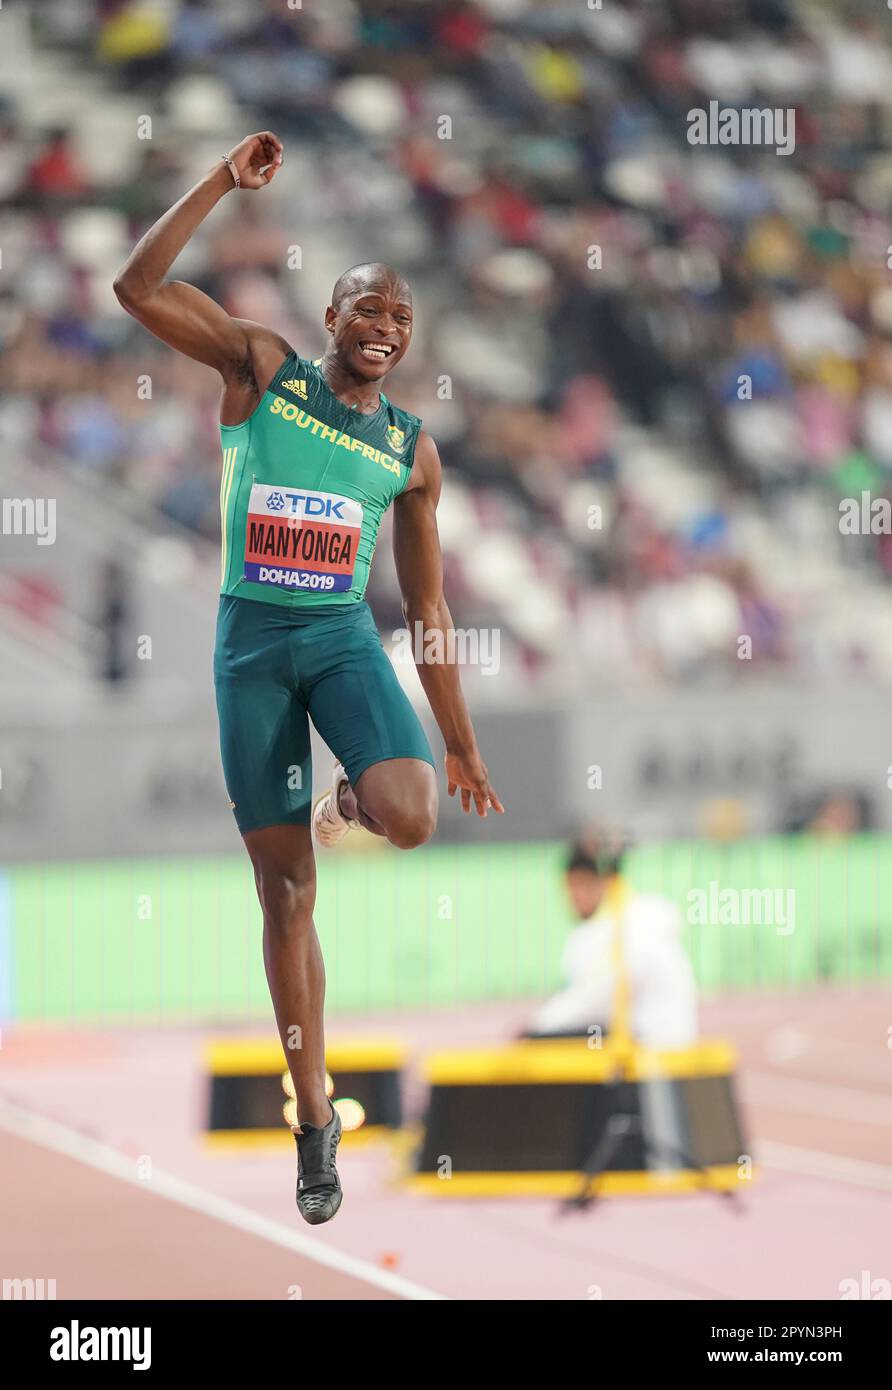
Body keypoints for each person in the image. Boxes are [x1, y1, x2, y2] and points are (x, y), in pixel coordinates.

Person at [114, 131, 504, 1224]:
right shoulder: (262, 369)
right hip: (250, 649)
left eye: (400, 320)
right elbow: (134, 284)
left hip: (336, 638)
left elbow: (427, 611)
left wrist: (461, 740)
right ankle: (313, 1113)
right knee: (287, 897)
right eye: (366, 311)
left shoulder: (411, 455)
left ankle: (345, 800)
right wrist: (219, 184)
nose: (383, 330)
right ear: (329, 318)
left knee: (414, 812)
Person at [524, 830, 697, 1049]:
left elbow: (596, 996)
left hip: (650, 1057)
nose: (574, 897)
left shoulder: (624, 928)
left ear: (604, 883)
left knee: (543, 1043)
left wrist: (539, 1024)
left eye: (581, 886)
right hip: (650, 1048)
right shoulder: (631, 920)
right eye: (570, 888)